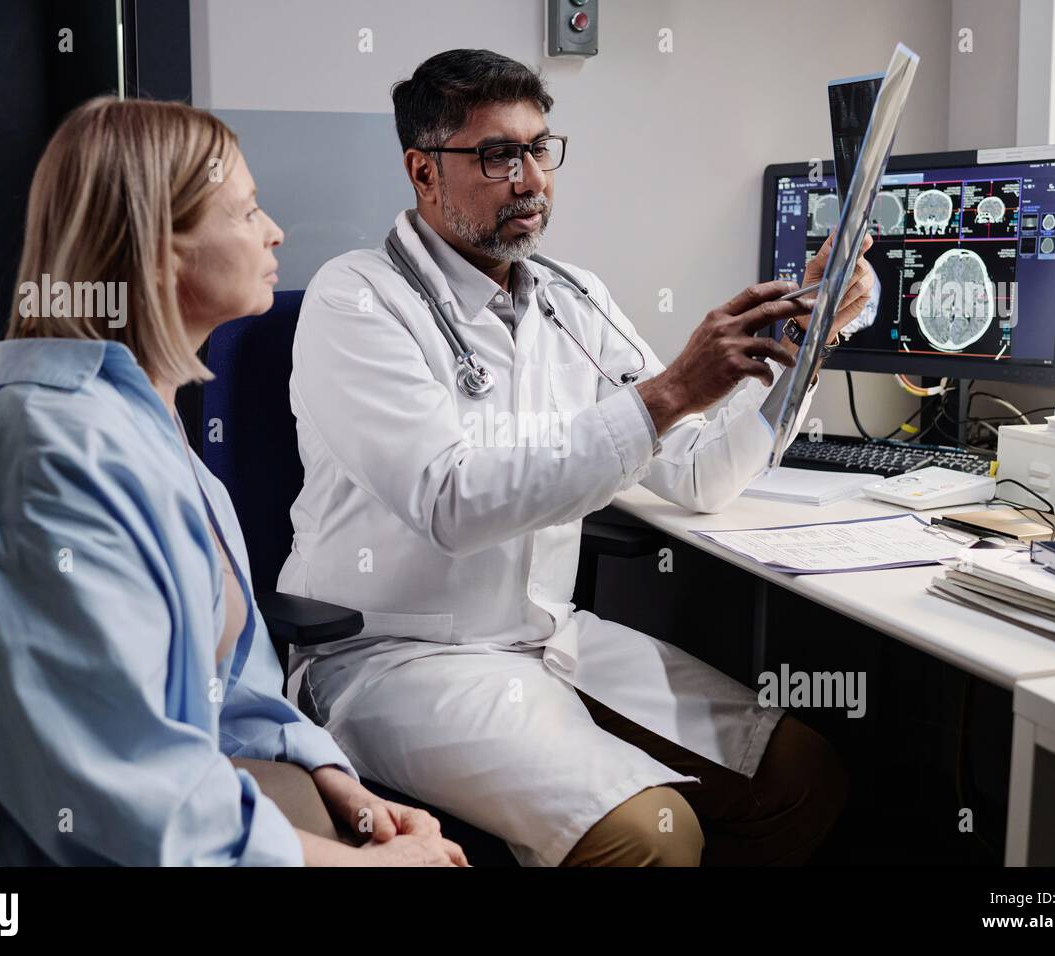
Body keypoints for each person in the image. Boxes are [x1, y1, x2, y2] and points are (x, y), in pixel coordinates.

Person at [281, 49, 875, 867]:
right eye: (497, 154)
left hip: (550, 640)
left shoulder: (572, 297)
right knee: (654, 841)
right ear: (423, 171)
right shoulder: (356, 299)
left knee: (804, 777)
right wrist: (668, 393)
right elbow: (452, 502)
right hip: (399, 660)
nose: (530, 178)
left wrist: (812, 343)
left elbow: (698, 475)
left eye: (539, 148)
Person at [0, 97, 465, 867]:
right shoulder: (53, 459)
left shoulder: (156, 434)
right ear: (158, 249)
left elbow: (225, 688)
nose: (275, 231)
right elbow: (115, 799)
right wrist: (373, 866)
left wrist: (338, 782)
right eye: (247, 211)